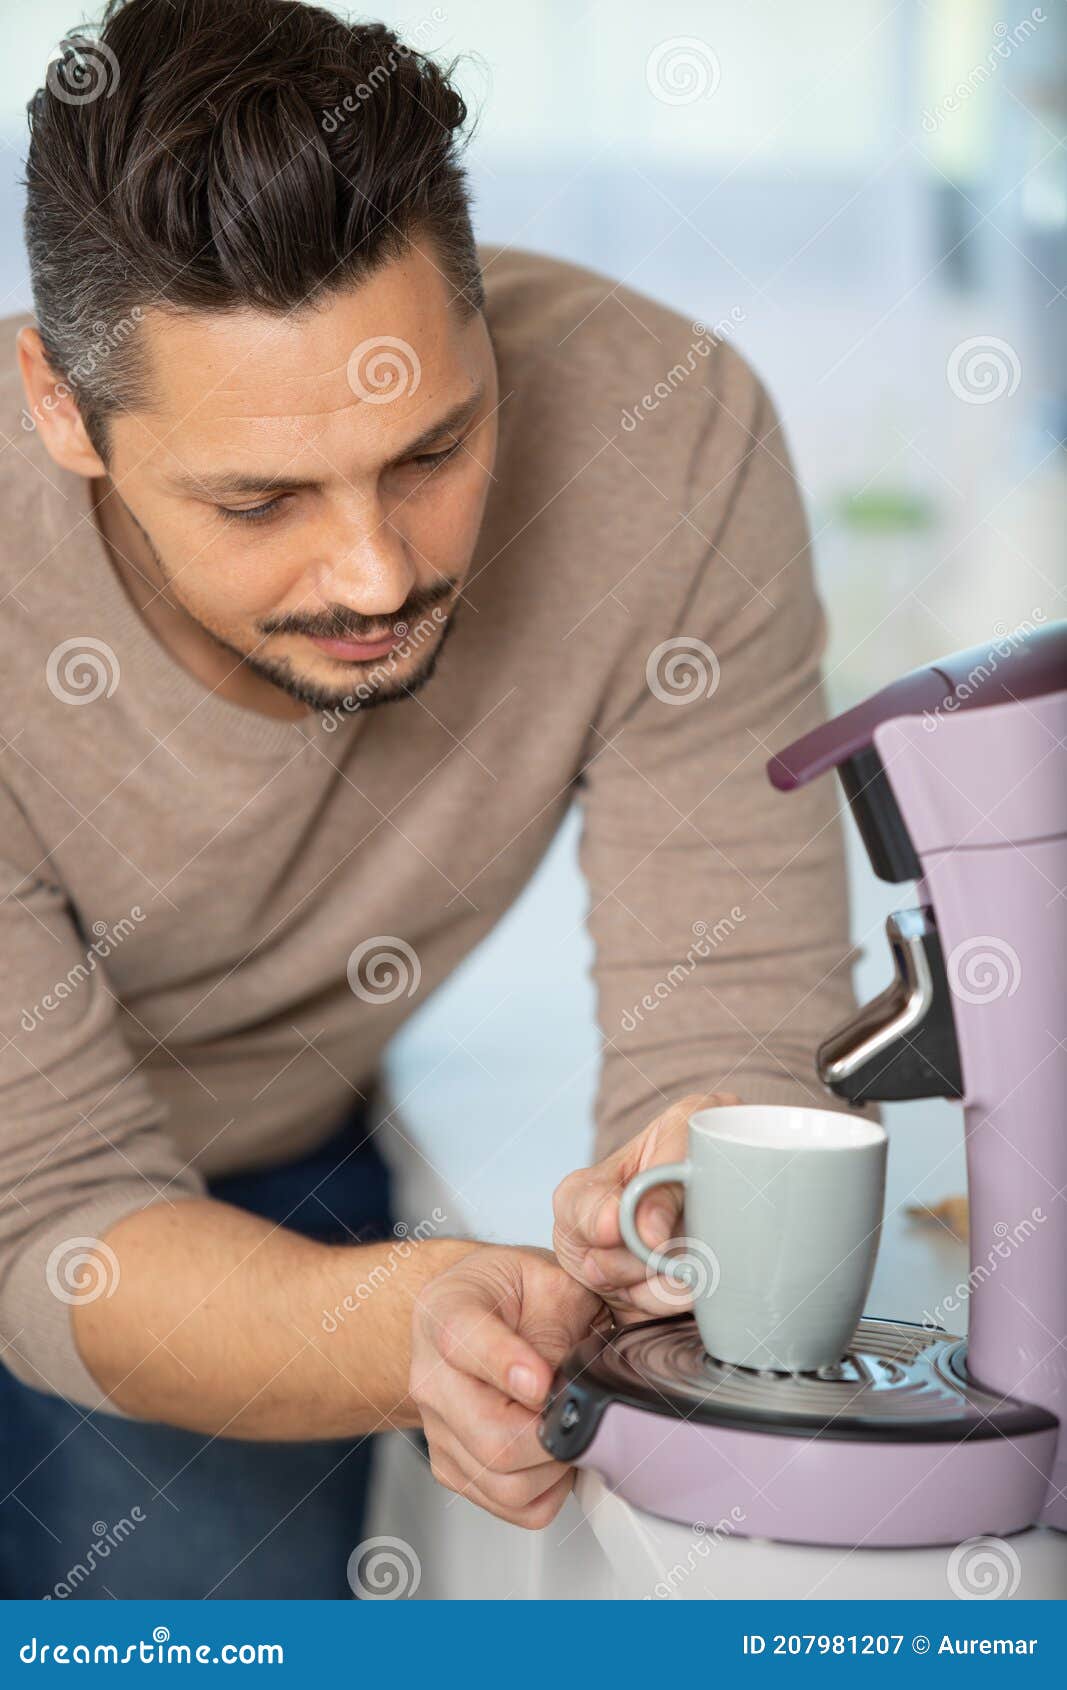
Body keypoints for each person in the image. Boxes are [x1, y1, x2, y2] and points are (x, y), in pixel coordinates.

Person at [0, 0, 859, 1598]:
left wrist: (686, 1200)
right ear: (61, 406)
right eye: (260, 499)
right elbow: (40, 1204)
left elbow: (730, 1012)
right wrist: (409, 1317)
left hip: (263, 1158)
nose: (375, 574)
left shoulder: (667, 438)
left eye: (429, 450)